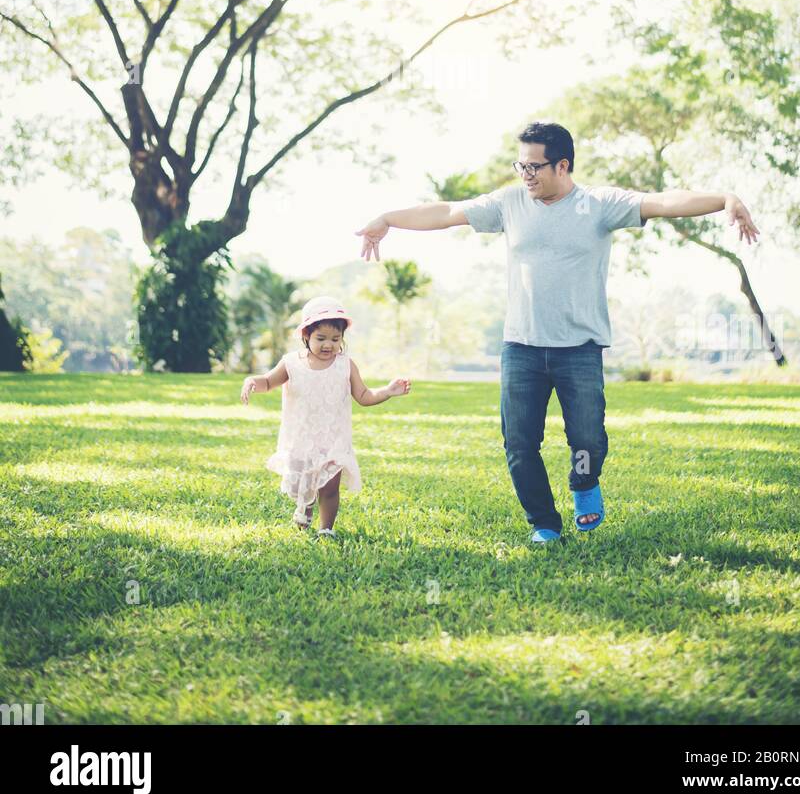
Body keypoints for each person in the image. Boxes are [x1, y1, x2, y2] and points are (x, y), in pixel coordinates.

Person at [356, 119, 759, 545]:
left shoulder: (600, 204)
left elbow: (662, 201)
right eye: (521, 166)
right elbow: (446, 211)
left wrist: (724, 199)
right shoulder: (509, 203)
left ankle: (584, 483)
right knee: (519, 444)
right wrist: (388, 219)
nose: (525, 175)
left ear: (562, 165)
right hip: (521, 347)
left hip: (579, 349)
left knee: (587, 438)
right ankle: (544, 523)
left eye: (534, 167)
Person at [240, 295, 411, 538]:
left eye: (335, 338)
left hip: (333, 439)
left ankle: (326, 529)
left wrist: (388, 391)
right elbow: (268, 381)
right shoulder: (291, 363)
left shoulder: (345, 365)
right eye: (321, 338)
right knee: (304, 485)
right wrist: (251, 382)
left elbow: (363, 395)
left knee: (329, 488)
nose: (328, 345)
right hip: (301, 437)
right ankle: (305, 510)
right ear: (306, 336)